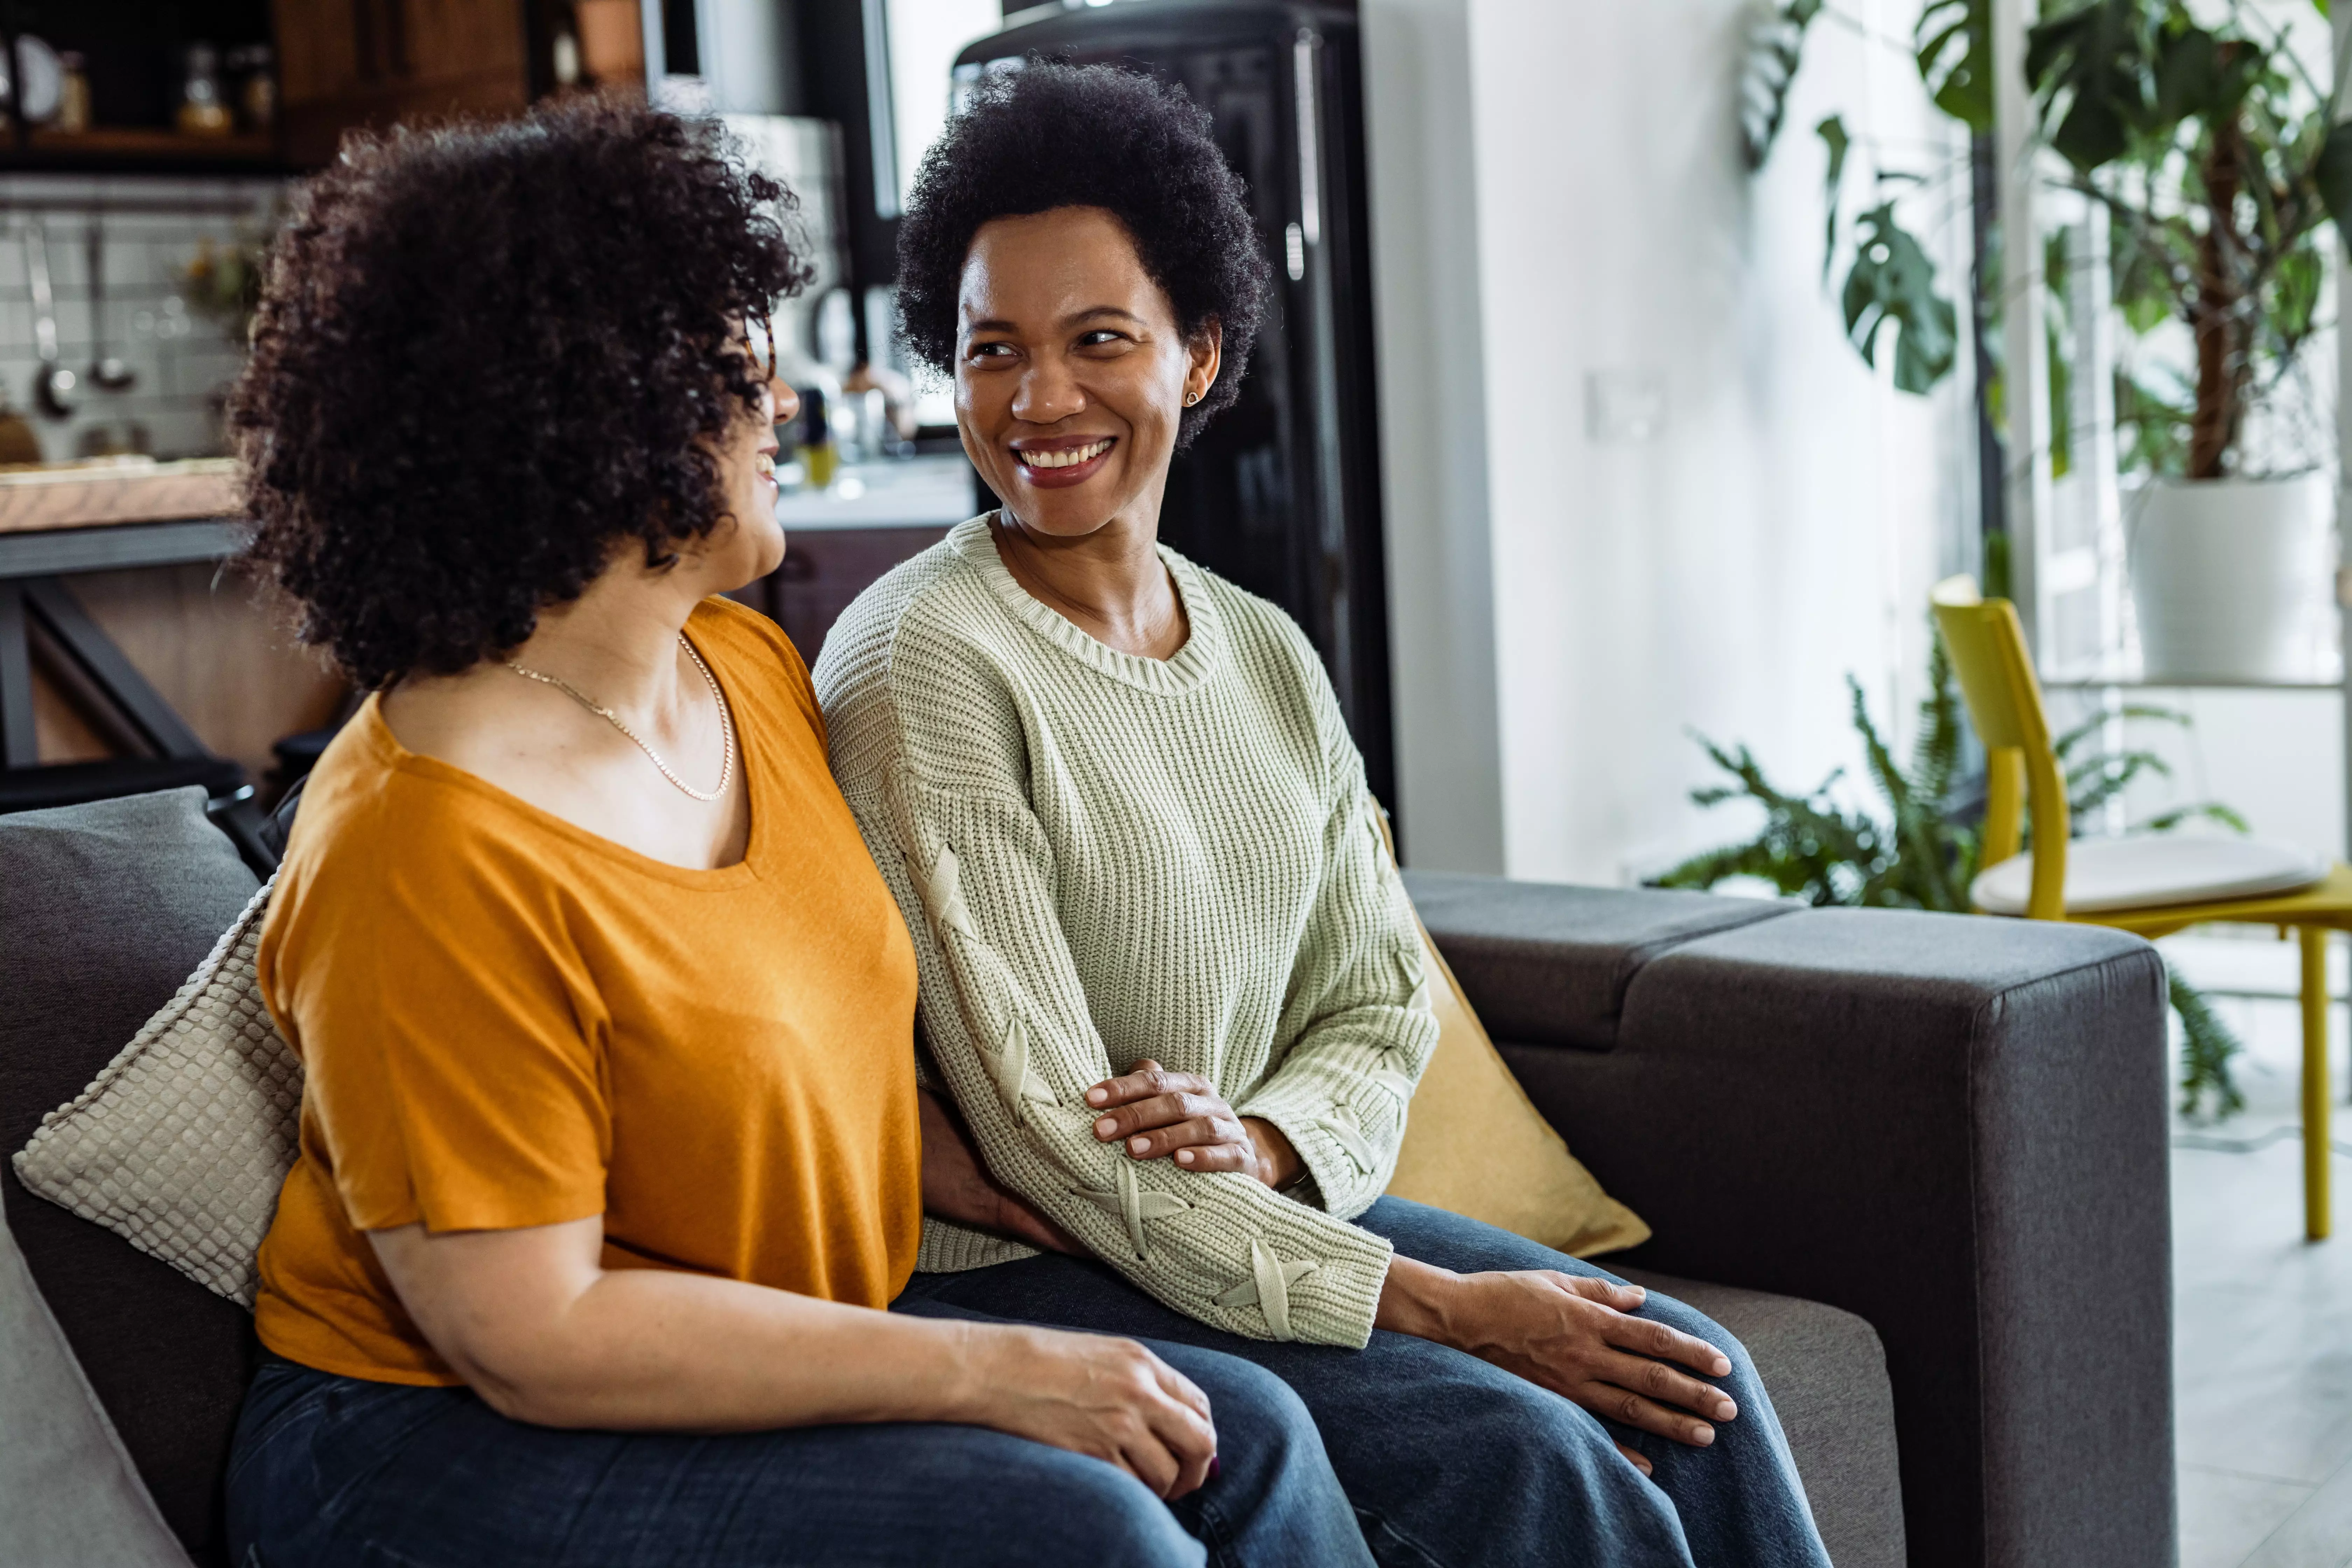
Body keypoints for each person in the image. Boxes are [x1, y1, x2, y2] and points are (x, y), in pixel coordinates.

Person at [222, 98, 1375, 1568]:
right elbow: (540, 1336)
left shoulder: (748, 670)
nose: (780, 404)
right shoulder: (422, 846)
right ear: (586, 417)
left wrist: (1158, 1239)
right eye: (729, 370)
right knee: (1088, 1535)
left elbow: (864, 1092)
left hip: (757, 1328)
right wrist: (995, 1368)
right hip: (421, 1440)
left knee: (1247, 1432)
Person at [816, 62, 1834, 1567]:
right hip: (1028, 1264)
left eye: (1100, 340)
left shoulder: (1266, 651)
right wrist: (1454, 1305)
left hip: (1248, 1218)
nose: (1039, 401)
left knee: (1702, 1382)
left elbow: (1375, 996)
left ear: (1198, 351)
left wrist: (1277, 1145)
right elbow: (1048, 1149)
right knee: (1531, 1449)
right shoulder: (925, 667)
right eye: (990, 352)